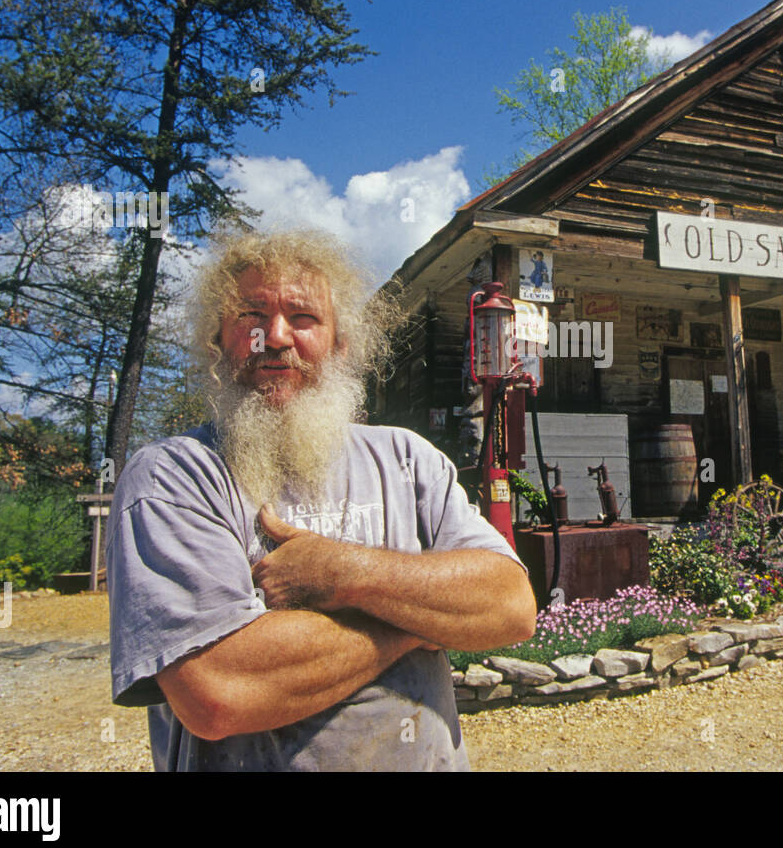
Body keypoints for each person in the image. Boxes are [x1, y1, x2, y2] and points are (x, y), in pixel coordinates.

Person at [106, 228, 536, 770]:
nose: (277, 337)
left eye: (303, 317)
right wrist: (420, 618)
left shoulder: (406, 459)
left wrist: (341, 574)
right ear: (216, 339)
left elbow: (510, 606)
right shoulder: (174, 476)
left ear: (340, 344)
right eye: (250, 315)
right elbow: (218, 690)